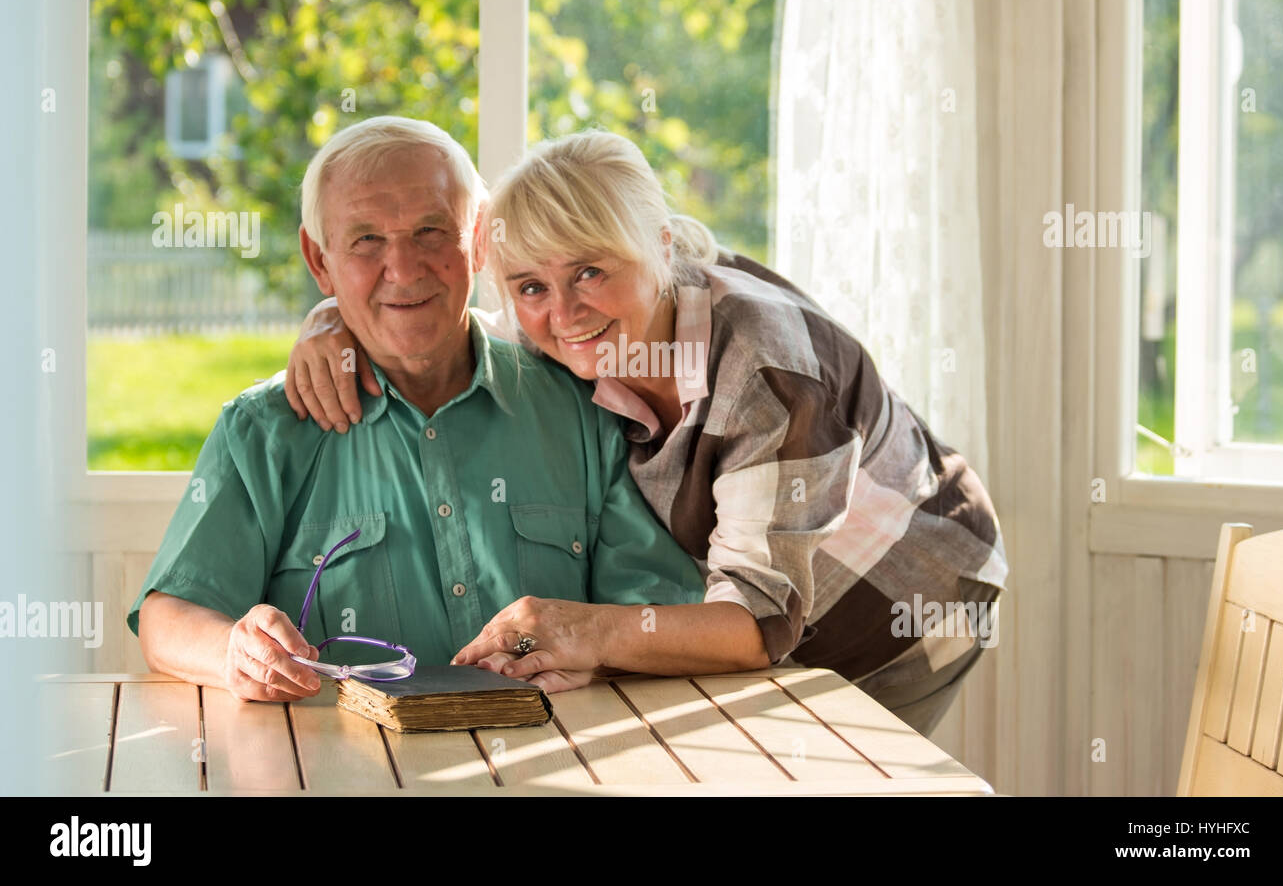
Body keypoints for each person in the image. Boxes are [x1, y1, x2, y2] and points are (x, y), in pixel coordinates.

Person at [286, 130, 1010, 736]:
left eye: (591, 271)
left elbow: (756, 622)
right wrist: (332, 320)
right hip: (772, 611)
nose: (563, 313)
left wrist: (588, 631)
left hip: (909, 599)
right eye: (532, 286)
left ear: (658, 248)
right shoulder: (566, 332)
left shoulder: (766, 371)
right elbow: (440, 326)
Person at [128, 117, 726, 703]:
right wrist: (236, 653)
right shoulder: (263, 429)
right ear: (319, 259)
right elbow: (168, 617)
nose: (405, 269)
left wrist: (597, 657)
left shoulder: (583, 404)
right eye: (367, 240)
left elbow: (653, 609)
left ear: (479, 238)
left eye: (432, 232)